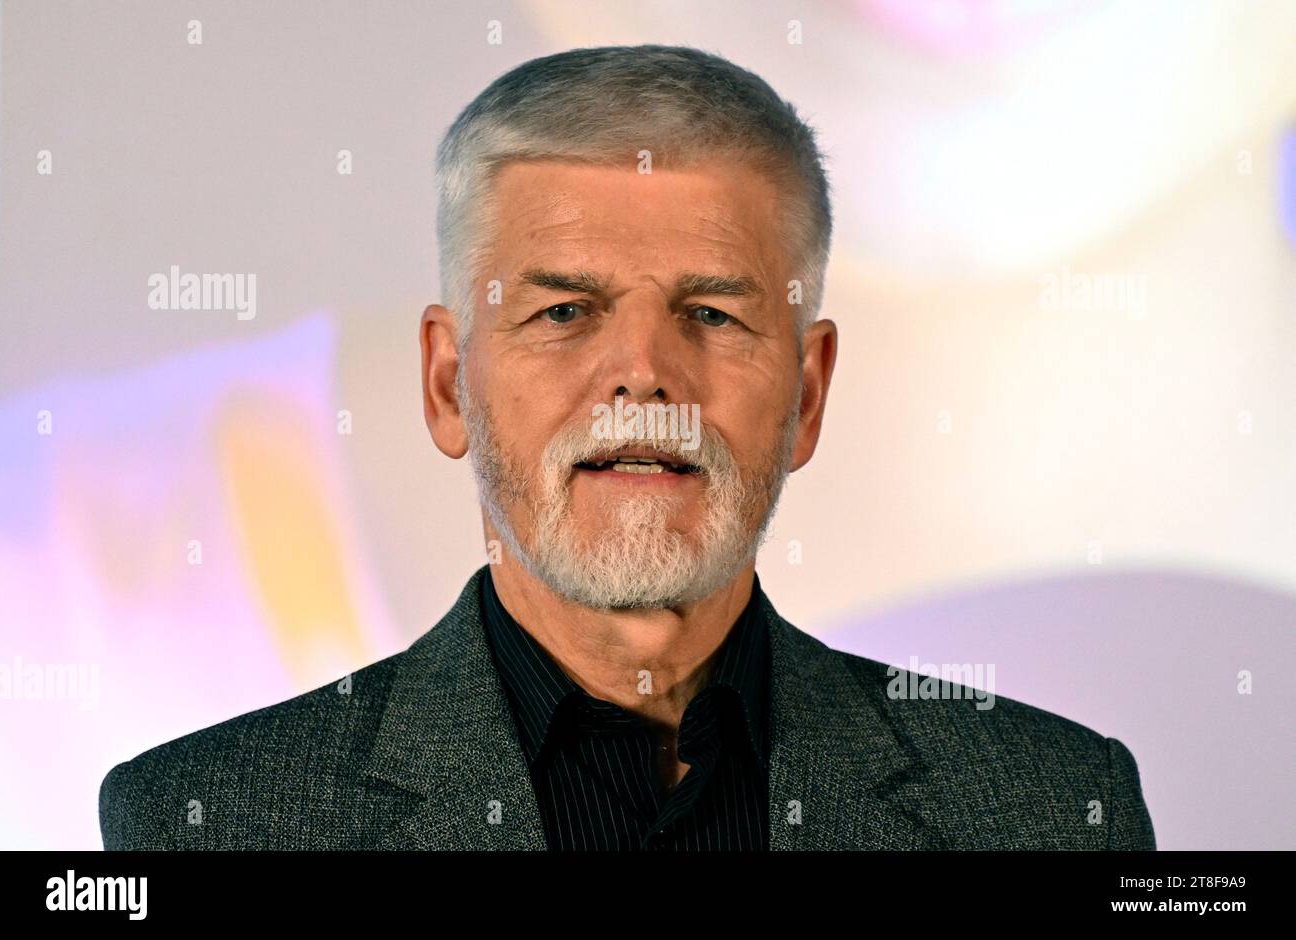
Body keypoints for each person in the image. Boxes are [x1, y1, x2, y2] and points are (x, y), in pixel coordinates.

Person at [99, 44, 1155, 851]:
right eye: (564, 313)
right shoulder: (206, 824)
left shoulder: (1052, 812)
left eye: (712, 314)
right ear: (444, 380)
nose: (643, 372)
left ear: (808, 392)